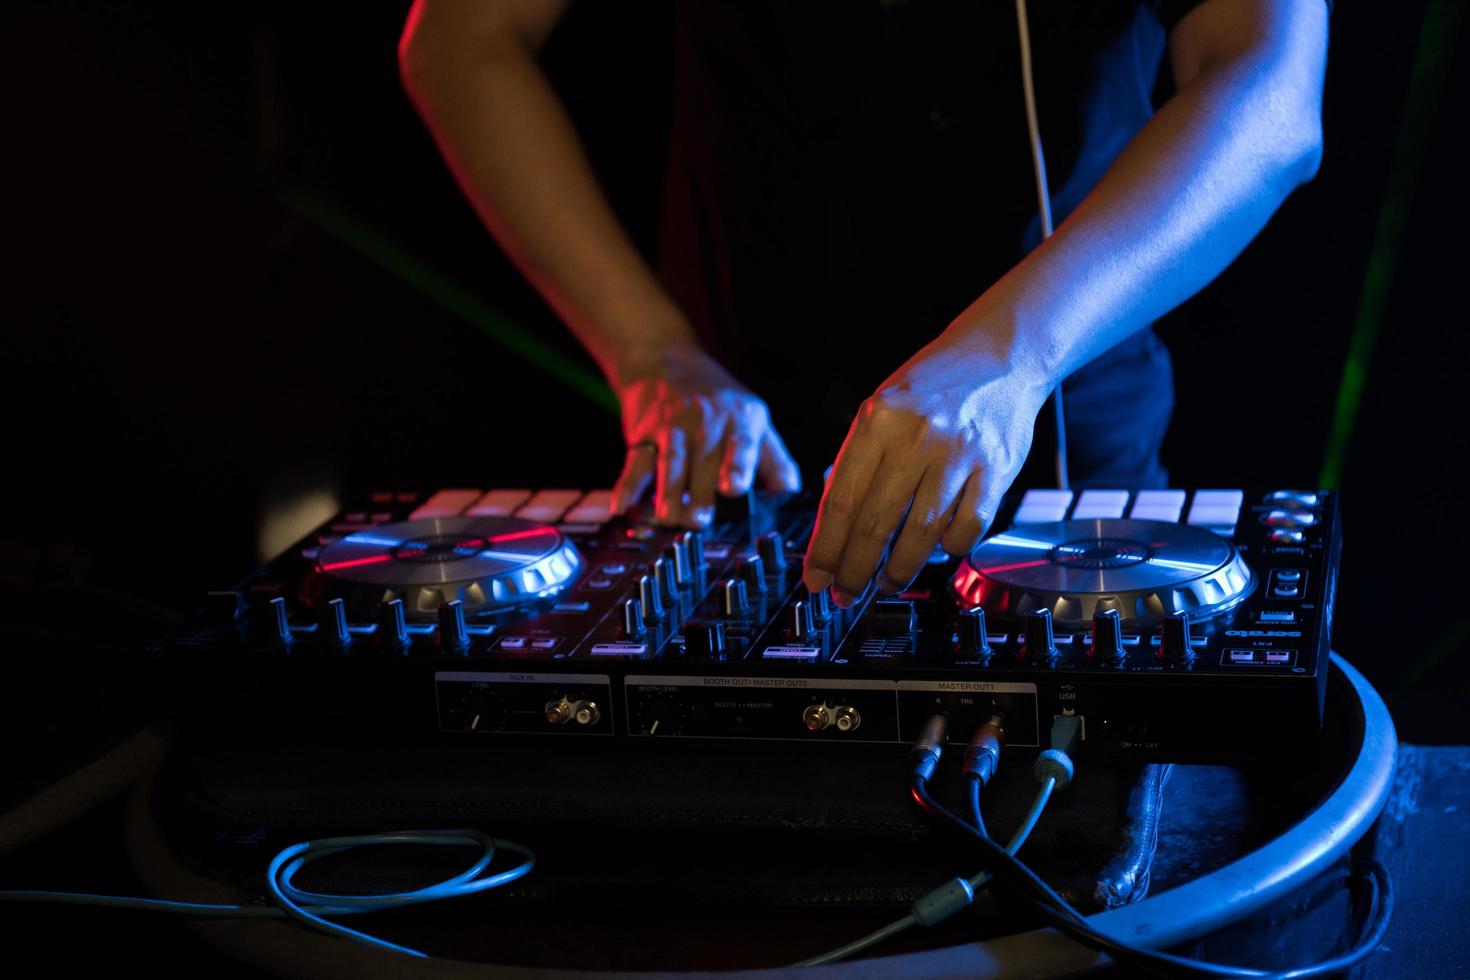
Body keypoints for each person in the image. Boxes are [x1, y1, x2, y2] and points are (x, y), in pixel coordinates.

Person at [399, 0, 1326, 608]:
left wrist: (1012, 352)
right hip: (743, 461)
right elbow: (461, 37)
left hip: (1065, 445)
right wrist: (652, 352)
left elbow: (1271, 88)